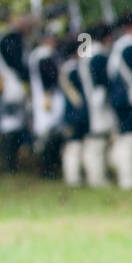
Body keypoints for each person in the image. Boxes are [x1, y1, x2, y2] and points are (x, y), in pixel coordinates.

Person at [107, 12, 132, 188]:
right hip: (128, 99)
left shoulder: (118, 47)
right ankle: (130, 179)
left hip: (120, 99)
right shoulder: (130, 47)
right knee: (130, 139)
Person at [0, 18, 30, 173]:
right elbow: (16, 62)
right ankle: (9, 165)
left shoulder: (4, 37)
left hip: (11, 83)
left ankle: (12, 164)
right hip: (10, 83)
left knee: (14, 123)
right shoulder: (7, 38)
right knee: (9, 123)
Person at [77, 23, 115, 187]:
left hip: (88, 104)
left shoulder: (86, 54)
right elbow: (102, 85)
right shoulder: (99, 55)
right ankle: (98, 179)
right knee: (98, 145)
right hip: (98, 106)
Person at [28, 24, 65, 179]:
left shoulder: (39, 54)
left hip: (44, 97)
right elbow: (49, 78)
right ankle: (47, 170)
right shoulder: (43, 55)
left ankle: (49, 169)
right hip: (48, 98)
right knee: (48, 135)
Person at [57, 37, 88, 186]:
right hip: (76, 113)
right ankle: (73, 178)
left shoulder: (66, 69)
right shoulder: (74, 70)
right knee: (74, 146)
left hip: (71, 113)